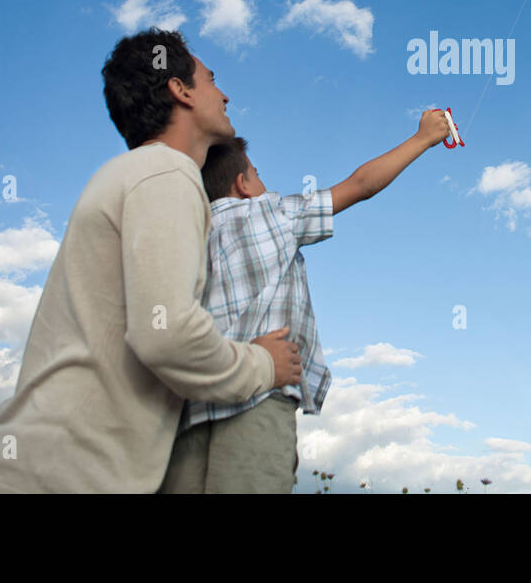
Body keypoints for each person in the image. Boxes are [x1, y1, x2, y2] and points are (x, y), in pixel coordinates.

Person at [0, 28, 302, 493]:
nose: (225, 94)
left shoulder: (135, 175)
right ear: (179, 90)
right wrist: (264, 364)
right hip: (64, 477)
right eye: (210, 80)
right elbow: (167, 335)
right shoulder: (165, 174)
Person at [159, 108, 452, 493]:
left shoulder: (190, 236)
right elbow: (361, 184)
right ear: (243, 184)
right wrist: (422, 139)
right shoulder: (271, 212)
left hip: (189, 411)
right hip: (259, 394)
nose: (264, 182)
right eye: (258, 173)